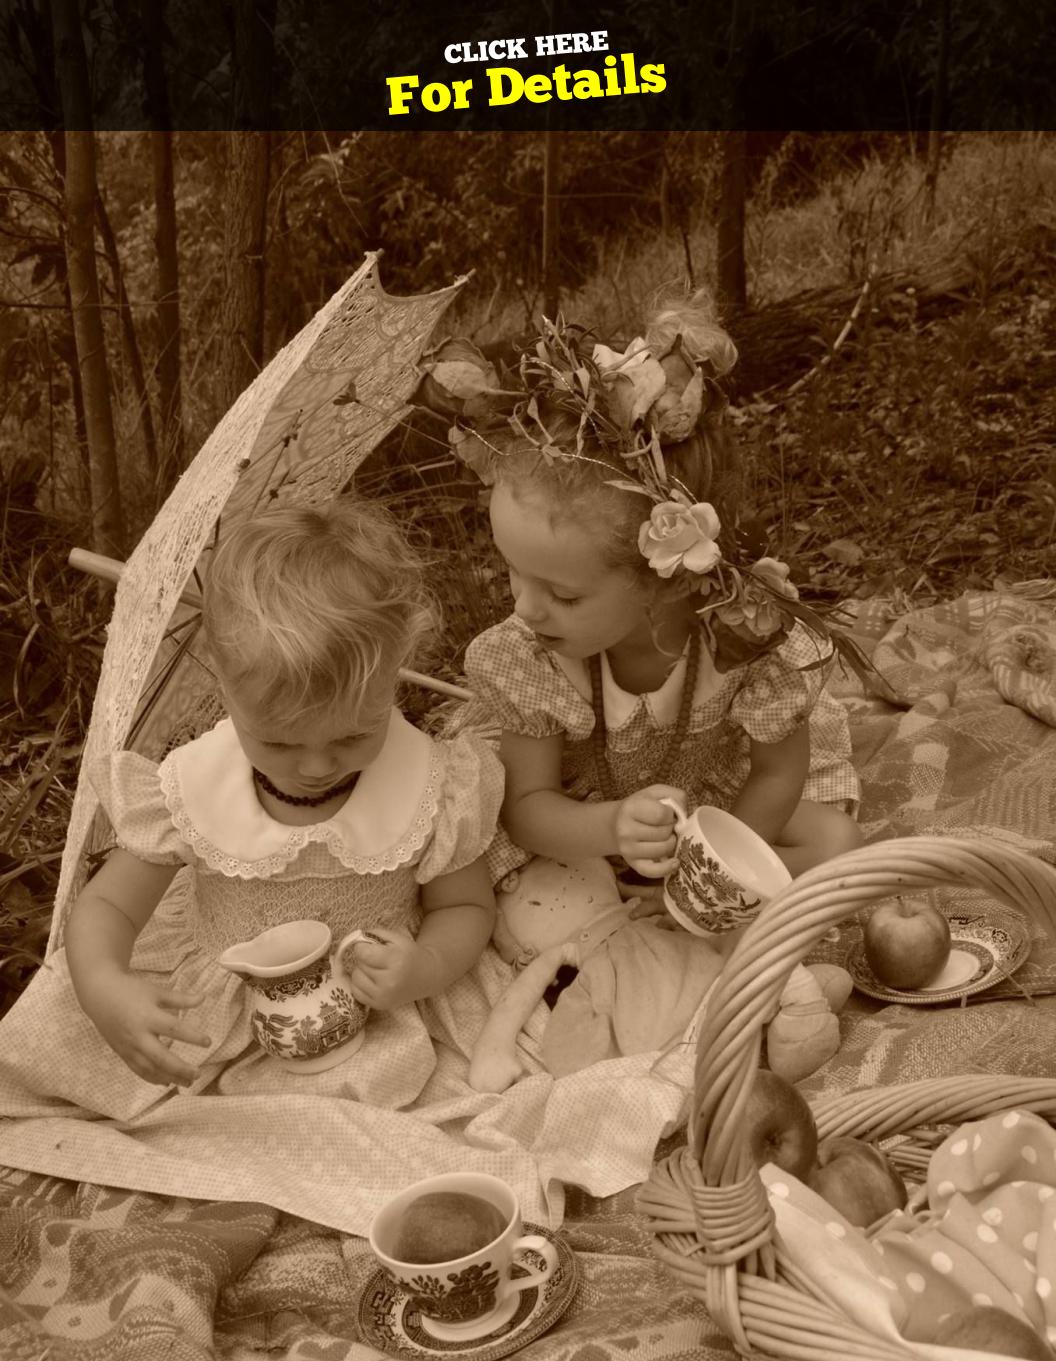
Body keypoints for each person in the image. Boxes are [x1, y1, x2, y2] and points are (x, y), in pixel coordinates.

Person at [0, 500, 502, 1119]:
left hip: (378, 1002)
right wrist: (105, 988)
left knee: (415, 1108)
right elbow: (105, 906)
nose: (317, 766)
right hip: (212, 1005)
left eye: (351, 736)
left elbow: (466, 906)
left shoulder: (431, 784)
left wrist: (424, 967)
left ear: (395, 678)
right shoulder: (192, 788)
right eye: (280, 742)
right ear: (225, 688)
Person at [433, 289, 863, 893]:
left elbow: (774, 776)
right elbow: (529, 806)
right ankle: (625, 902)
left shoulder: (746, 638)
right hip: (584, 816)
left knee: (835, 843)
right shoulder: (528, 658)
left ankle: (687, 898)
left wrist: (714, 863)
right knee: (527, 890)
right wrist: (611, 827)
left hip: (715, 797)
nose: (525, 608)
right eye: (512, 570)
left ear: (665, 580)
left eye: (564, 594)